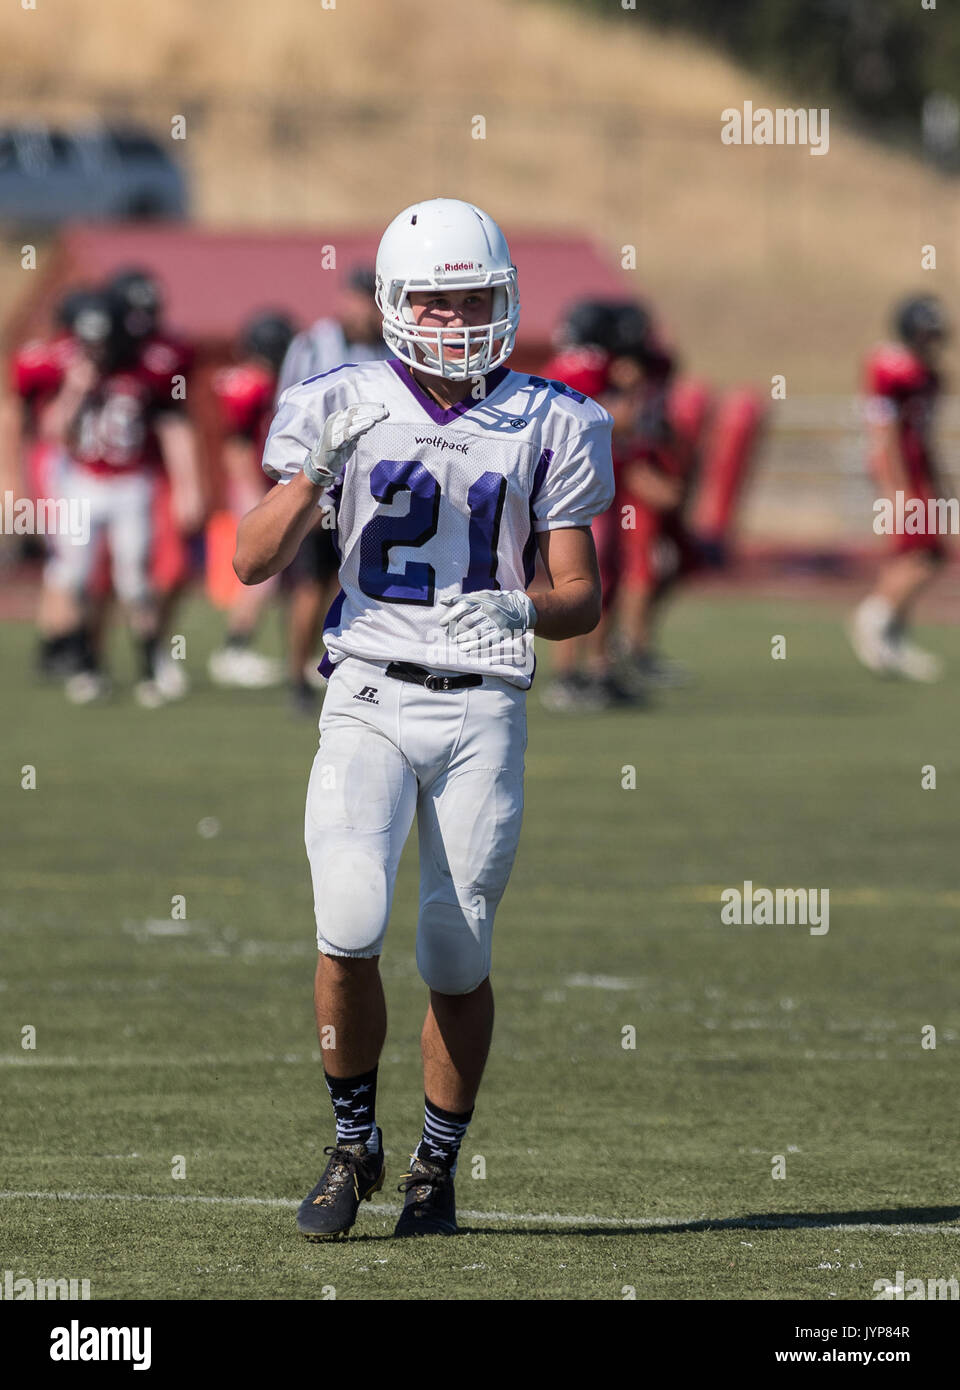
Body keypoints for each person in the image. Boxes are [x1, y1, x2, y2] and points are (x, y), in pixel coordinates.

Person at [234, 198, 614, 1239]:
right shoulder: (338, 398)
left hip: (485, 696)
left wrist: (523, 603)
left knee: (454, 946)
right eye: (436, 302)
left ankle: (435, 1169)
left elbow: (583, 592)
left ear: (507, 300)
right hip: (365, 688)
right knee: (349, 918)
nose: (455, 320)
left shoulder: (558, 418)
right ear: (397, 305)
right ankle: (353, 1141)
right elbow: (249, 559)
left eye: (475, 299)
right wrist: (317, 469)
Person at [40, 290, 199, 706]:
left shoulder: (146, 368)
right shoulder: (68, 365)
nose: (97, 350)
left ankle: (149, 669)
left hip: (132, 483)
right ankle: (86, 665)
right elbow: (53, 431)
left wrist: (187, 485)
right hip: (82, 481)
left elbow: (171, 425)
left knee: (135, 581)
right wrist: (75, 391)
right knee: (75, 578)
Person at [276, 267, 391, 712]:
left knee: (365, 579)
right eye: (361, 299)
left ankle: (359, 668)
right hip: (324, 480)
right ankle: (297, 675)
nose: (367, 311)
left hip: (374, 485)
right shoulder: (313, 344)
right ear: (345, 298)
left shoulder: (389, 347)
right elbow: (288, 411)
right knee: (310, 581)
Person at [851, 295, 950, 681]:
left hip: (919, 469)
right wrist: (897, 485)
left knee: (923, 554)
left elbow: (927, 436)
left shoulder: (930, 376)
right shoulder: (892, 369)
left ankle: (891, 636)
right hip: (900, 469)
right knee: (922, 555)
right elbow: (885, 431)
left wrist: (940, 483)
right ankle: (874, 619)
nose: (933, 341)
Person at [207, 311, 296, 688]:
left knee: (292, 573)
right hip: (255, 487)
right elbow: (237, 444)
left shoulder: (273, 383)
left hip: (272, 487)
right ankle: (234, 648)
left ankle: (297, 651)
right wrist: (251, 492)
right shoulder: (253, 385)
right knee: (264, 575)